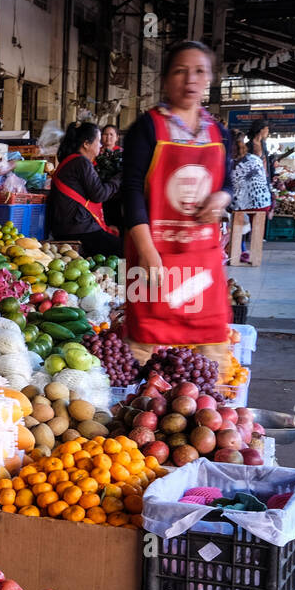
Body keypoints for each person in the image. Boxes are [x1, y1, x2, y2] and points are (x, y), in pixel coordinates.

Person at [121, 39, 234, 372]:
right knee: (142, 348)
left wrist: (221, 197)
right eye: (181, 71)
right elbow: (130, 193)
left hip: (202, 259)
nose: (190, 80)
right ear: (166, 79)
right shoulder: (148, 128)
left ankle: (214, 416)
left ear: (210, 79)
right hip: (153, 254)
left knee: (213, 349)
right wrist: (147, 251)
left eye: (199, 72)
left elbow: (228, 183)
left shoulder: (218, 132)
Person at [47, 121, 122, 256]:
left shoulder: (71, 161)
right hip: (78, 229)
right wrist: (119, 178)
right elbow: (99, 194)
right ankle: (123, 278)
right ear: (86, 144)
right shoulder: (81, 162)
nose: (100, 145)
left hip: (67, 226)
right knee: (123, 250)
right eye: (98, 141)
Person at [230, 128, 272, 264]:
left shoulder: (230, 163)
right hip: (264, 203)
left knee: (230, 210)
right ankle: (251, 254)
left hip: (240, 206)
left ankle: (239, 251)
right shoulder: (255, 158)